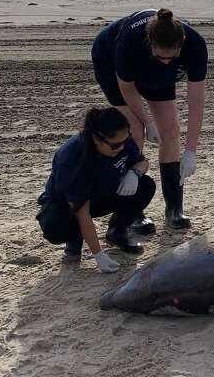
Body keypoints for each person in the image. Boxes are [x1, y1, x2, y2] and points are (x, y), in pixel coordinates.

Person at [91, 8, 207, 231]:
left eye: (171, 57)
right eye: (160, 56)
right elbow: (127, 89)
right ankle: (133, 211)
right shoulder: (129, 43)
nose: (166, 61)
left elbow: (196, 102)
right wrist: (148, 122)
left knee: (171, 131)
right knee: (134, 130)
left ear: (181, 44)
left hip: (151, 70)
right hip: (109, 60)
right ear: (150, 42)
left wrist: (191, 151)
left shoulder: (195, 45)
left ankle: (174, 209)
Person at [37, 108, 156, 272]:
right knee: (55, 226)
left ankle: (117, 230)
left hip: (102, 193)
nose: (121, 147)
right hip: (68, 205)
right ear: (96, 138)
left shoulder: (121, 139)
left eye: (125, 140)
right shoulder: (72, 157)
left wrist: (134, 173)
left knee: (145, 186)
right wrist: (98, 255)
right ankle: (74, 239)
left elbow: (142, 162)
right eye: (115, 145)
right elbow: (82, 212)